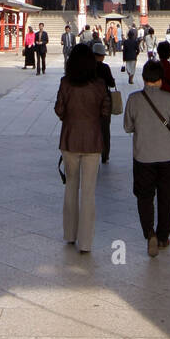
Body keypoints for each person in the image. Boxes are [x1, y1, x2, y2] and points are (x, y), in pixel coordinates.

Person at [53, 44, 110, 253]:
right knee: (88, 192)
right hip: (93, 141)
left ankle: (69, 234)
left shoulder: (65, 83)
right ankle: (85, 242)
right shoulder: (99, 84)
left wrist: (71, 116)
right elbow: (105, 110)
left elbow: (59, 110)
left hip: (70, 139)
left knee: (70, 187)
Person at [124, 59, 170, 255]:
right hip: (167, 154)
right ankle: (163, 237)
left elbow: (127, 127)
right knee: (167, 196)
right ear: (161, 79)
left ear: (143, 78)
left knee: (144, 196)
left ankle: (150, 233)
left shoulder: (133, 99)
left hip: (143, 155)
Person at [92, 41, 116, 163]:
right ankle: (105, 153)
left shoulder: (88, 67)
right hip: (104, 100)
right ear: (101, 55)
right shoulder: (105, 68)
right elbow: (111, 83)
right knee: (105, 128)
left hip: (90, 100)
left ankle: (91, 151)